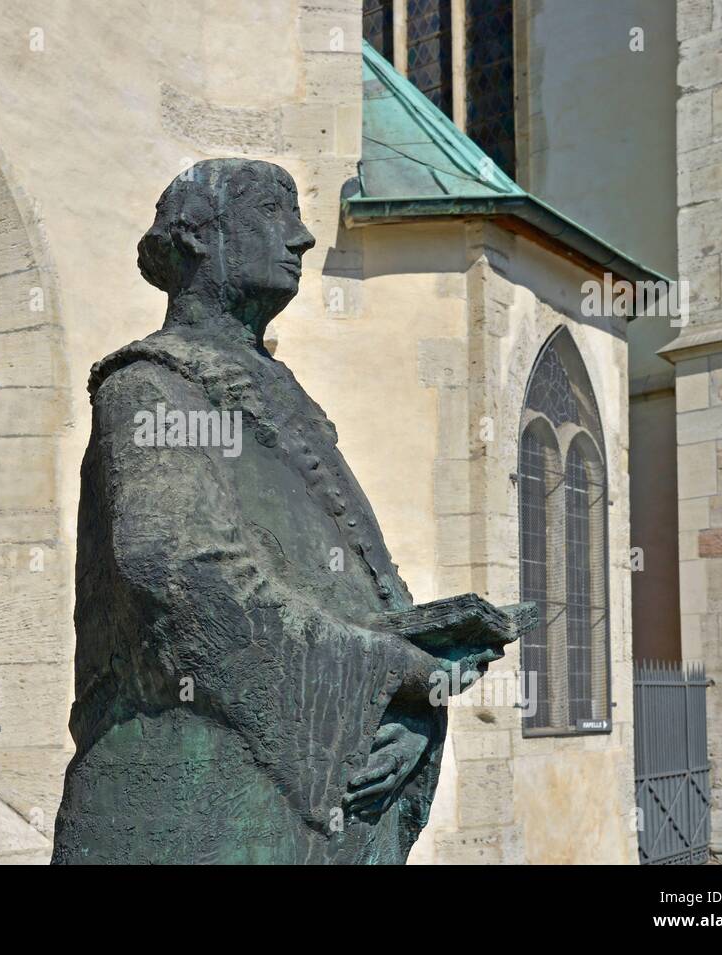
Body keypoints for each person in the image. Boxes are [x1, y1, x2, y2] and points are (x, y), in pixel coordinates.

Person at [51, 159, 516, 864]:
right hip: (193, 815)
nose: (301, 238)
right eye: (273, 212)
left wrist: (409, 712)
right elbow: (179, 566)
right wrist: (391, 671)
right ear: (198, 236)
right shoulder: (149, 386)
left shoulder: (285, 398)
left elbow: (364, 588)